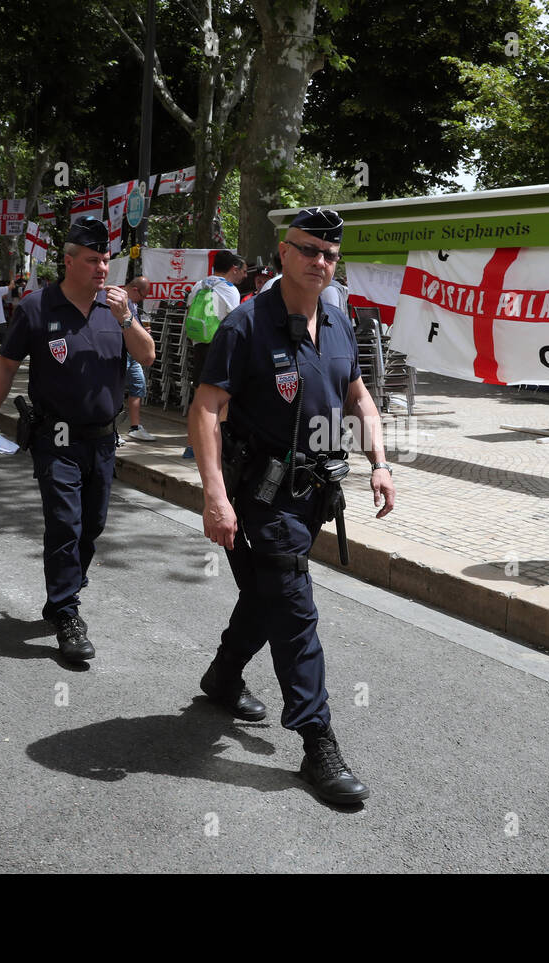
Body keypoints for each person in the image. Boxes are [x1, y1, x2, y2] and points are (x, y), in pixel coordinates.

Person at [189, 207, 395, 806]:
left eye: (329, 254)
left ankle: (222, 678)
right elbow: (204, 409)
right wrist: (215, 498)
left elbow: (359, 396)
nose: (320, 262)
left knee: (266, 596)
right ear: (283, 252)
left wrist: (379, 463)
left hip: (313, 495)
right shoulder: (246, 325)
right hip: (259, 496)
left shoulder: (336, 322)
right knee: (296, 612)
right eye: (309, 250)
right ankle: (317, 741)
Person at [0, 216, 155, 662]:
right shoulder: (37, 308)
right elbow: (5, 368)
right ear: (69, 261)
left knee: (91, 526)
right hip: (55, 439)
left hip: (102, 440)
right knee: (65, 524)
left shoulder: (116, 308)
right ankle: (67, 614)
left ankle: (65, 587)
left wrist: (126, 317)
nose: (101, 268)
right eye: (93, 260)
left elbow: (147, 356)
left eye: (106, 260)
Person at [182, 251, 246, 457]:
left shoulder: (199, 285)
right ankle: (217, 446)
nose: (244, 276)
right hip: (220, 347)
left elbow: (190, 310)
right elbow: (236, 321)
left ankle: (191, 446)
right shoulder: (229, 290)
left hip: (198, 345)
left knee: (198, 395)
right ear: (233, 268)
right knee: (222, 398)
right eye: (242, 271)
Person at [121, 276, 154, 441]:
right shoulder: (119, 300)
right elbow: (120, 325)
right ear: (135, 289)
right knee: (116, 388)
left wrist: (141, 333)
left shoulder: (132, 303)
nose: (143, 300)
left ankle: (135, 427)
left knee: (138, 385)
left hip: (133, 351)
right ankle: (111, 428)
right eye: (143, 295)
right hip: (121, 349)